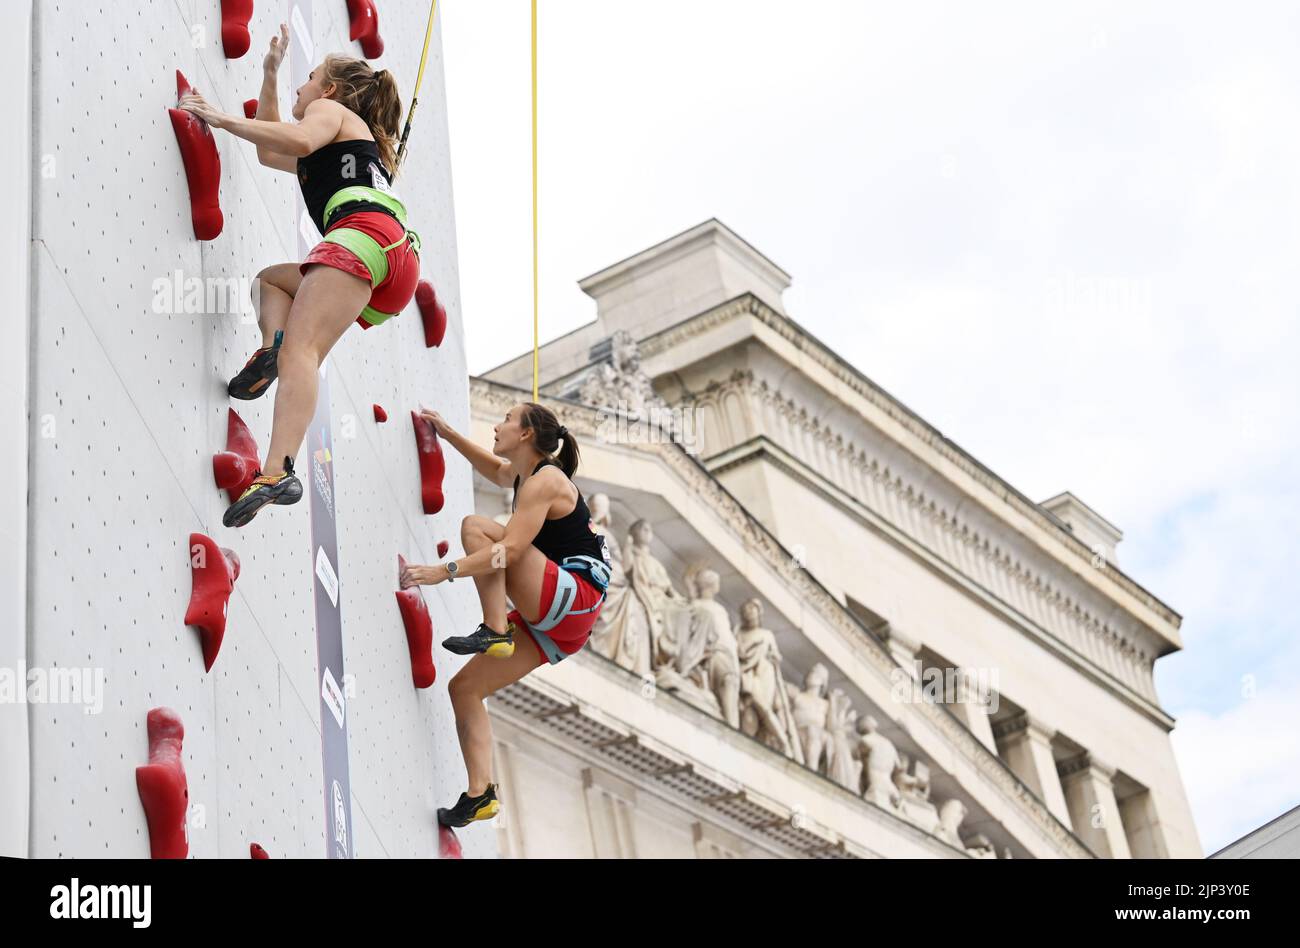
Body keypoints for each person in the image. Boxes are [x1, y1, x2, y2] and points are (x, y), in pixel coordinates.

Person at [179, 24, 421, 528]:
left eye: (307, 79)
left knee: (303, 354)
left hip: (365, 237)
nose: (300, 88)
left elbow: (297, 135)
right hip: (391, 262)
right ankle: (272, 348)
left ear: (328, 90)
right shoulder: (338, 143)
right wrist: (268, 74)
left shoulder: (329, 114)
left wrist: (219, 119)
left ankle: (277, 470)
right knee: (272, 281)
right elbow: (272, 150)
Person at [399, 403, 611, 828]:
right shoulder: (525, 475)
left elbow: (509, 552)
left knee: (477, 528)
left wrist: (444, 572)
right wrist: (447, 432)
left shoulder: (546, 480)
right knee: (464, 689)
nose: (497, 426)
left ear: (527, 434)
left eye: (507, 420)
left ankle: (496, 630)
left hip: (573, 597)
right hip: (561, 624)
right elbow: (494, 469)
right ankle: (481, 794)